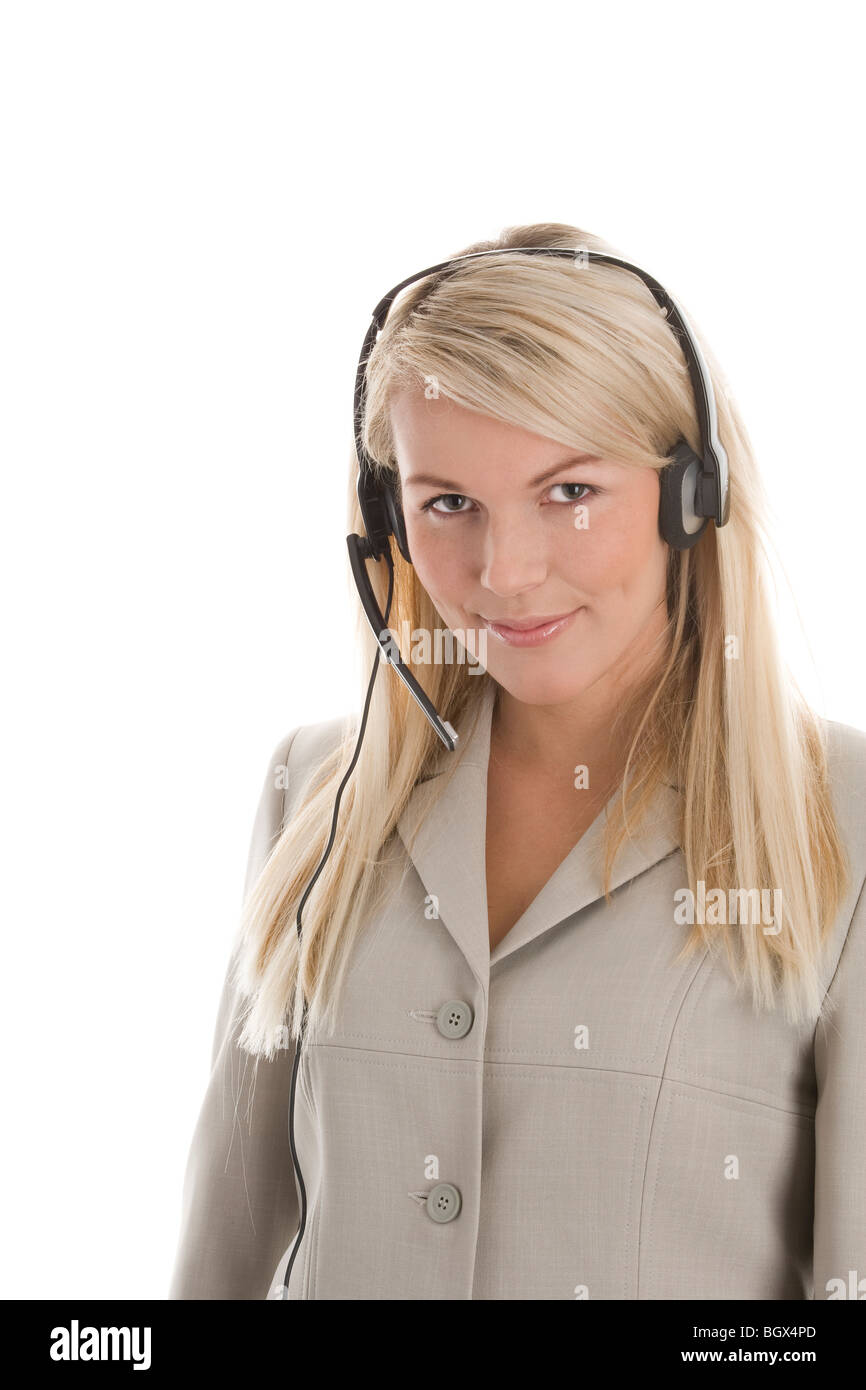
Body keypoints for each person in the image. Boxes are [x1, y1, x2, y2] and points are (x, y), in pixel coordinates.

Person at [168, 222, 866, 1301]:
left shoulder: (840, 815)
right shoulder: (317, 793)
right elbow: (217, 1258)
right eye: (447, 503)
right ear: (383, 524)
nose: (505, 571)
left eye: (569, 493)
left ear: (691, 500)